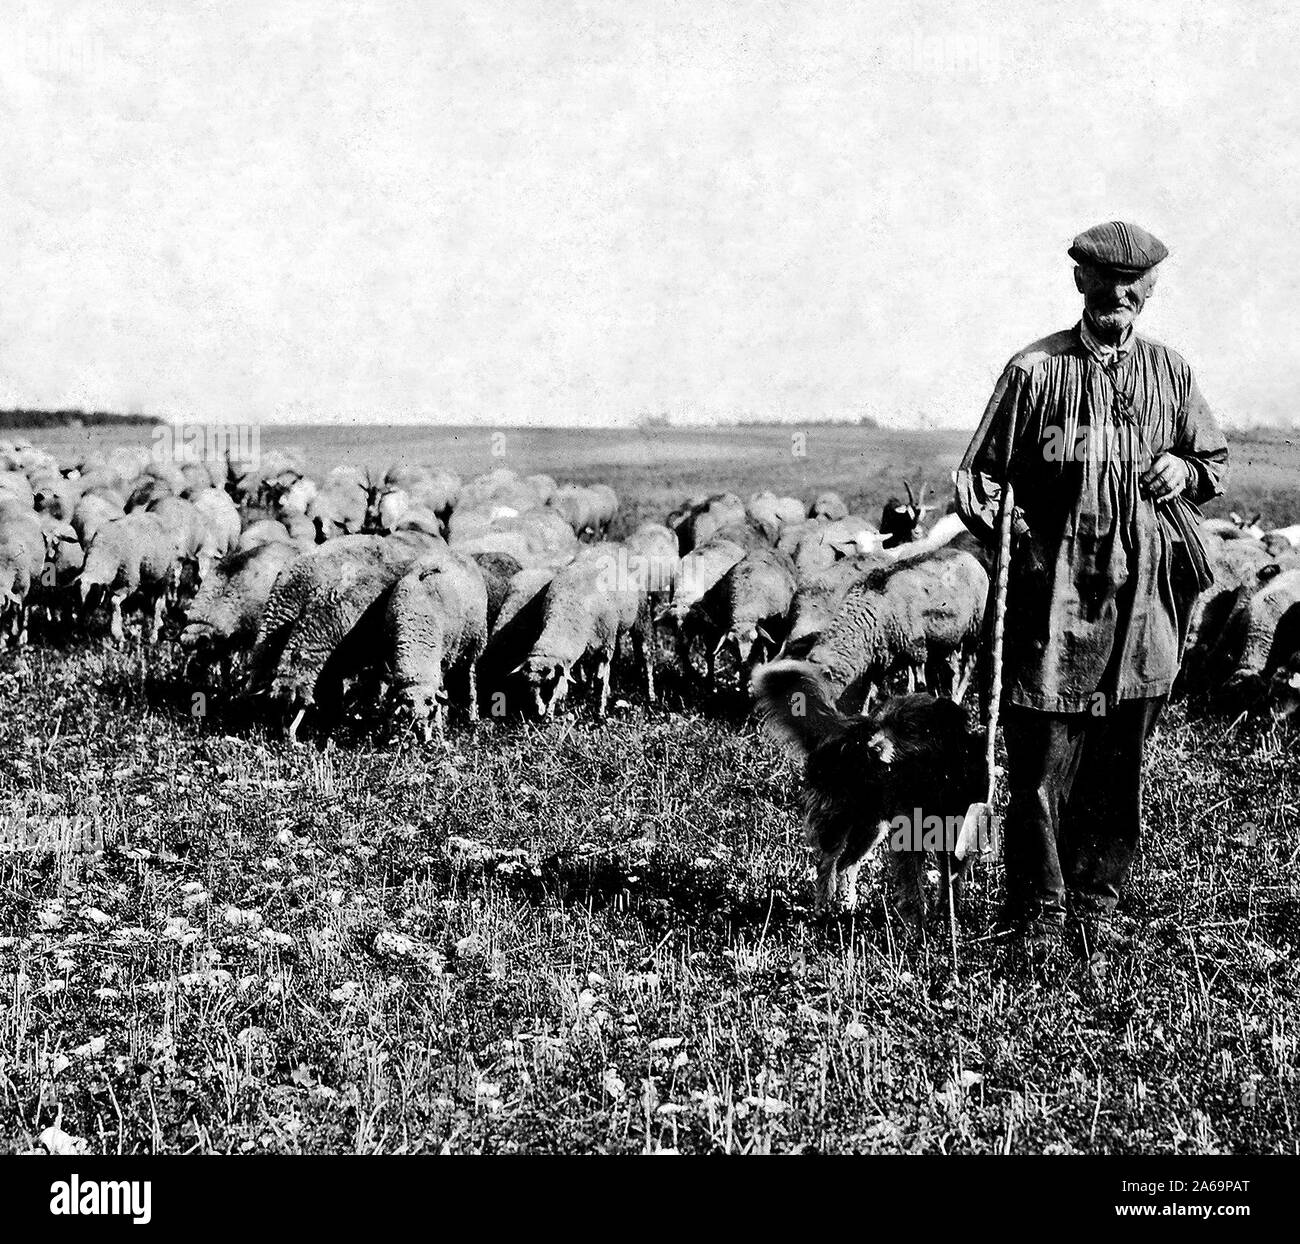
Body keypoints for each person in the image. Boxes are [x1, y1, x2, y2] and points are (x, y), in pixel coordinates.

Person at [954, 221, 1229, 974]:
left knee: (1119, 763)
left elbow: (1211, 460)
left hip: (1144, 602)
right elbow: (977, 476)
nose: (1121, 302)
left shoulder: (1172, 373)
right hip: (1057, 597)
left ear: (1151, 293)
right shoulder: (1034, 372)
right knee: (1044, 756)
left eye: (1136, 292)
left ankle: (1097, 908)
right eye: (1107, 289)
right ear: (1081, 285)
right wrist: (1018, 535)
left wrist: (1183, 467)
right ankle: (1036, 915)